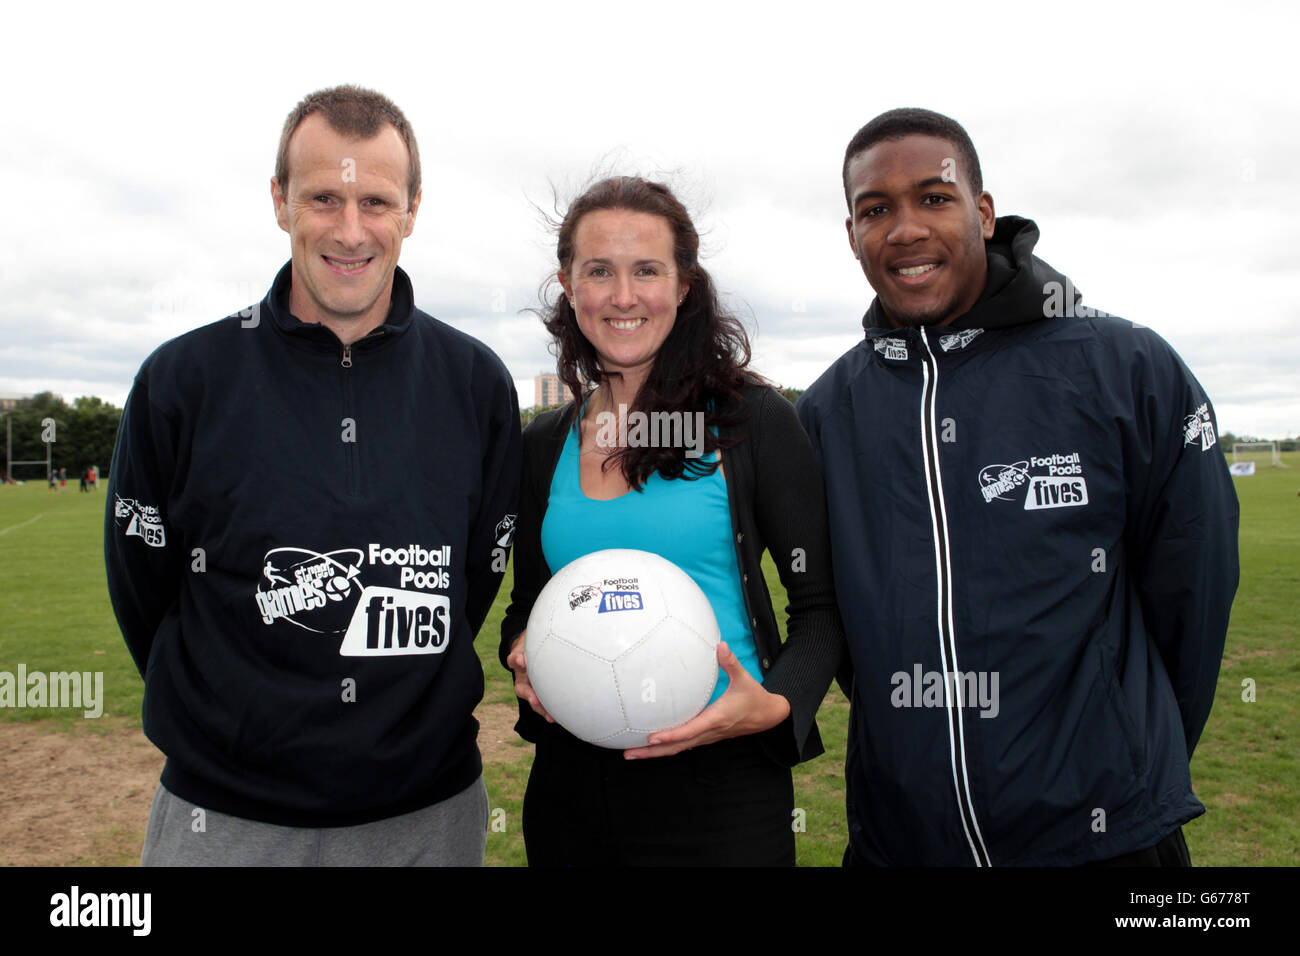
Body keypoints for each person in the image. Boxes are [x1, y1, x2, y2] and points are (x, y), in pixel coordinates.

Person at [796, 108, 1240, 866]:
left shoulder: (1125, 366)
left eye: (933, 197)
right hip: (901, 842)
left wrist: (1123, 754)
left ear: (982, 210)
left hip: (1105, 841)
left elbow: (1191, 601)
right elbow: (832, 618)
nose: (904, 229)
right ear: (851, 234)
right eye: (876, 209)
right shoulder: (827, 410)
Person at [104, 85, 521, 866]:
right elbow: (143, 588)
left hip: (427, 815)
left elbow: (474, 584)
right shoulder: (183, 380)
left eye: (377, 201)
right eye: (324, 198)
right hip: (225, 818)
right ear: (279, 200)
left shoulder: (476, 383)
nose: (351, 231)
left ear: (414, 210)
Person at [500, 176, 843, 866]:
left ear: (683, 285)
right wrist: (519, 651)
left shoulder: (752, 424)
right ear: (569, 285)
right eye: (599, 271)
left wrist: (776, 706)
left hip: (722, 795)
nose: (623, 297)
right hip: (572, 784)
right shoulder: (546, 444)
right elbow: (527, 605)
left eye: (647, 270)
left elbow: (821, 608)